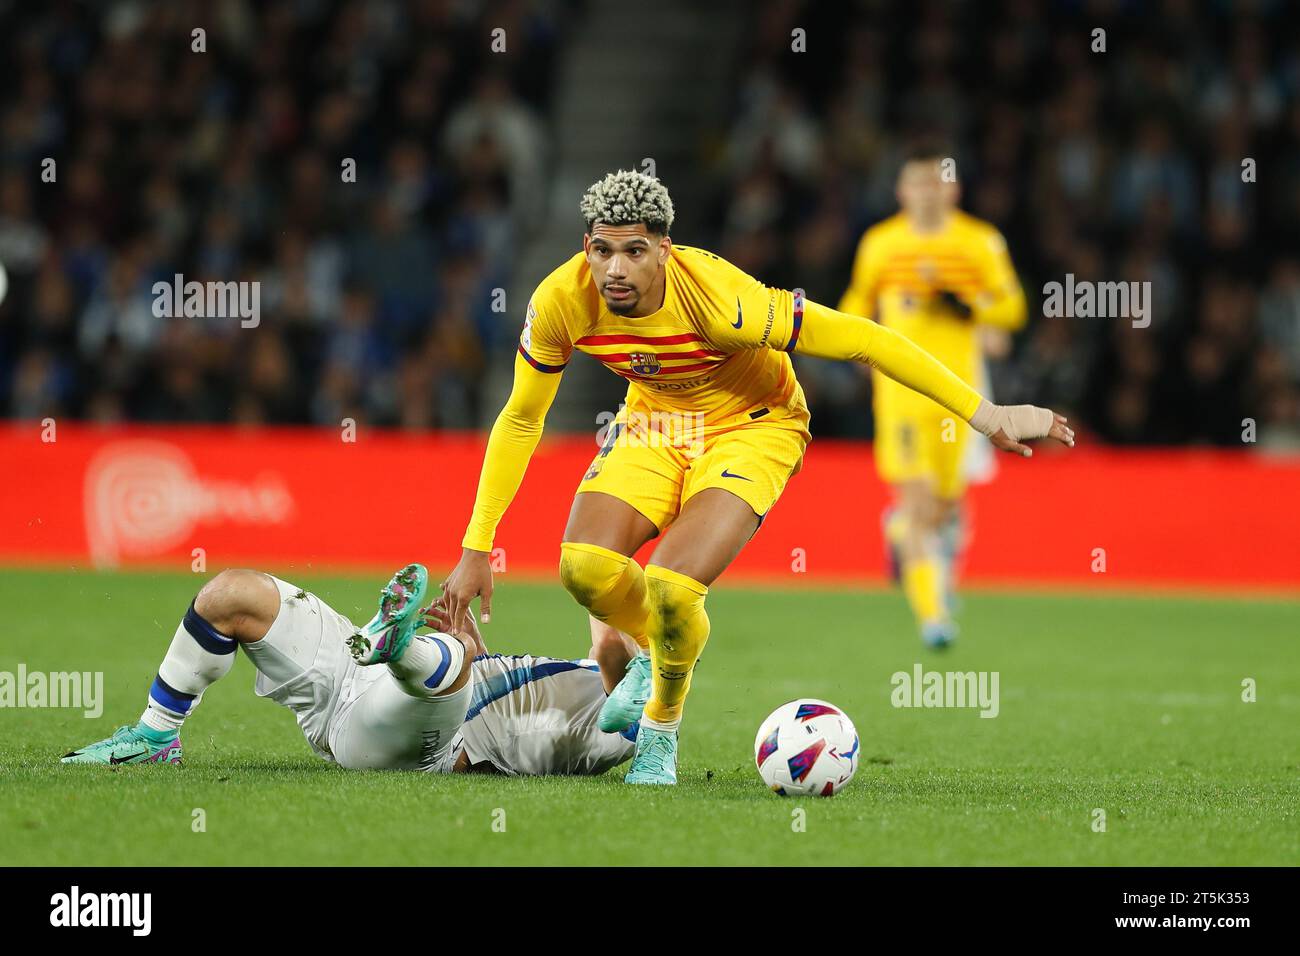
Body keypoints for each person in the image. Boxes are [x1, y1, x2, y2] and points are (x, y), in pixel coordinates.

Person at [441, 169, 1073, 785]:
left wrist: (987, 413)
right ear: (587, 247)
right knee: (583, 567)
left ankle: (660, 733)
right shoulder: (560, 300)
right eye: (602, 250)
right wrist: (476, 547)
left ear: (665, 249)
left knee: (670, 585)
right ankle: (646, 655)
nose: (615, 269)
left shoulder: (724, 299)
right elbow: (522, 417)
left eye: (634, 251)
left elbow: (864, 338)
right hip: (658, 422)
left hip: (754, 424)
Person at [61, 564, 637, 776]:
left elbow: (614, 647)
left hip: (418, 745)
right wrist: (474, 651)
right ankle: (156, 734)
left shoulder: (623, 729)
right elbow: (605, 650)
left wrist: (600, 563)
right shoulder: (595, 672)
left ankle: (405, 646)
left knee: (451, 658)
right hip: (355, 678)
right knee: (231, 594)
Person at [841, 142, 1029, 646]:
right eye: (917, 183)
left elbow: (1012, 308)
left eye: (936, 182)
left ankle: (901, 534)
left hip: (959, 396)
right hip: (900, 393)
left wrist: (965, 304)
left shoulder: (979, 242)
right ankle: (933, 617)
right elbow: (855, 302)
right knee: (921, 501)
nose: (927, 193)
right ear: (902, 190)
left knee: (946, 505)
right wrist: (859, 342)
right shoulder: (881, 243)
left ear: (954, 188)